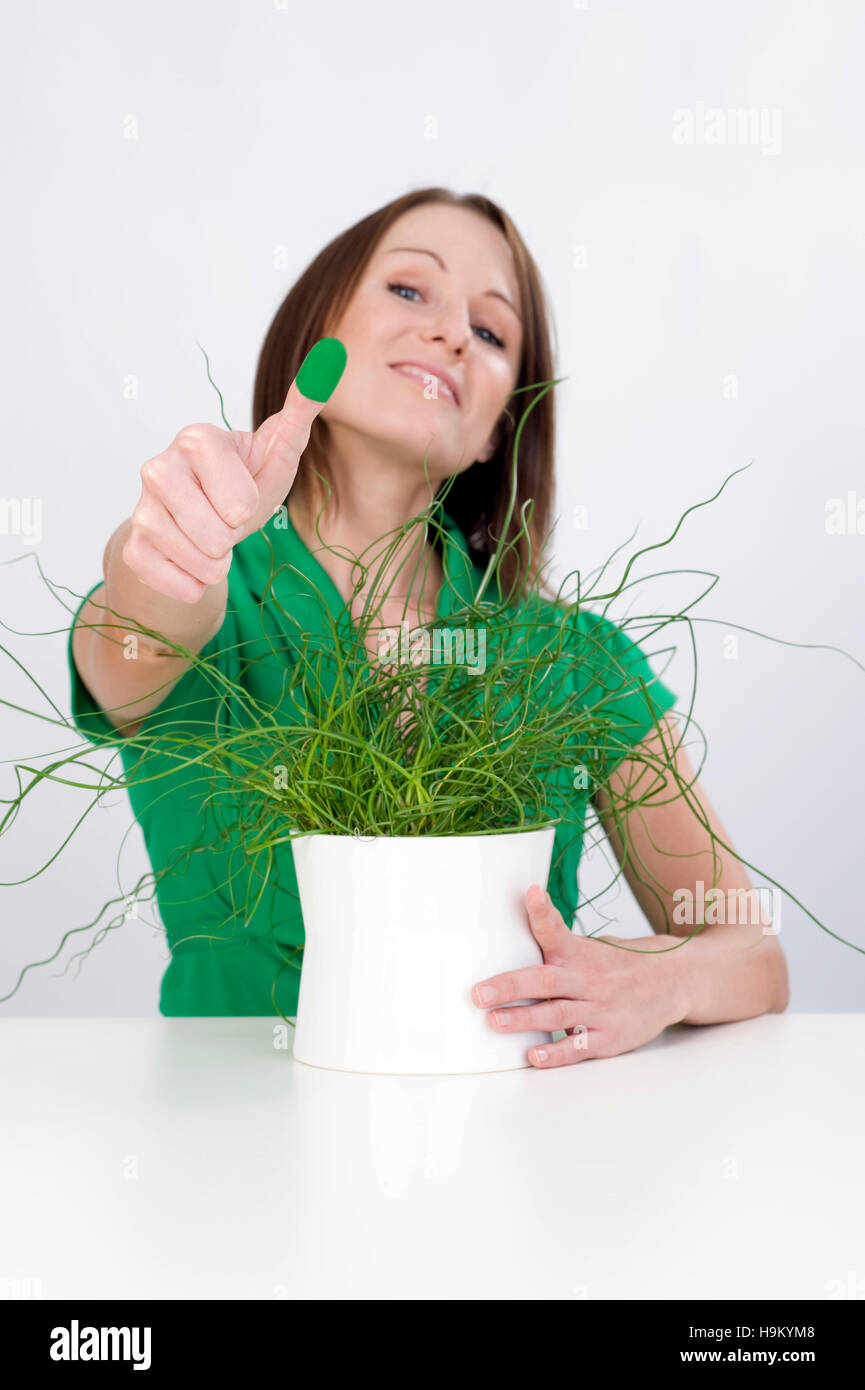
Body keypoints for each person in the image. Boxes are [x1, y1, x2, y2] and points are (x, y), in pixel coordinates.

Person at [68, 187, 789, 1063]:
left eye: (491, 333)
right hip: (231, 1152)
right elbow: (139, 622)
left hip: (518, 1148)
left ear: (493, 432)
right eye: (409, 292)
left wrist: (659, 979)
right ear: (317, 338)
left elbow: (750, 949)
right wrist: (175, 544)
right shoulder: (210, 598)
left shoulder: (571, 659)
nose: (451, 332)